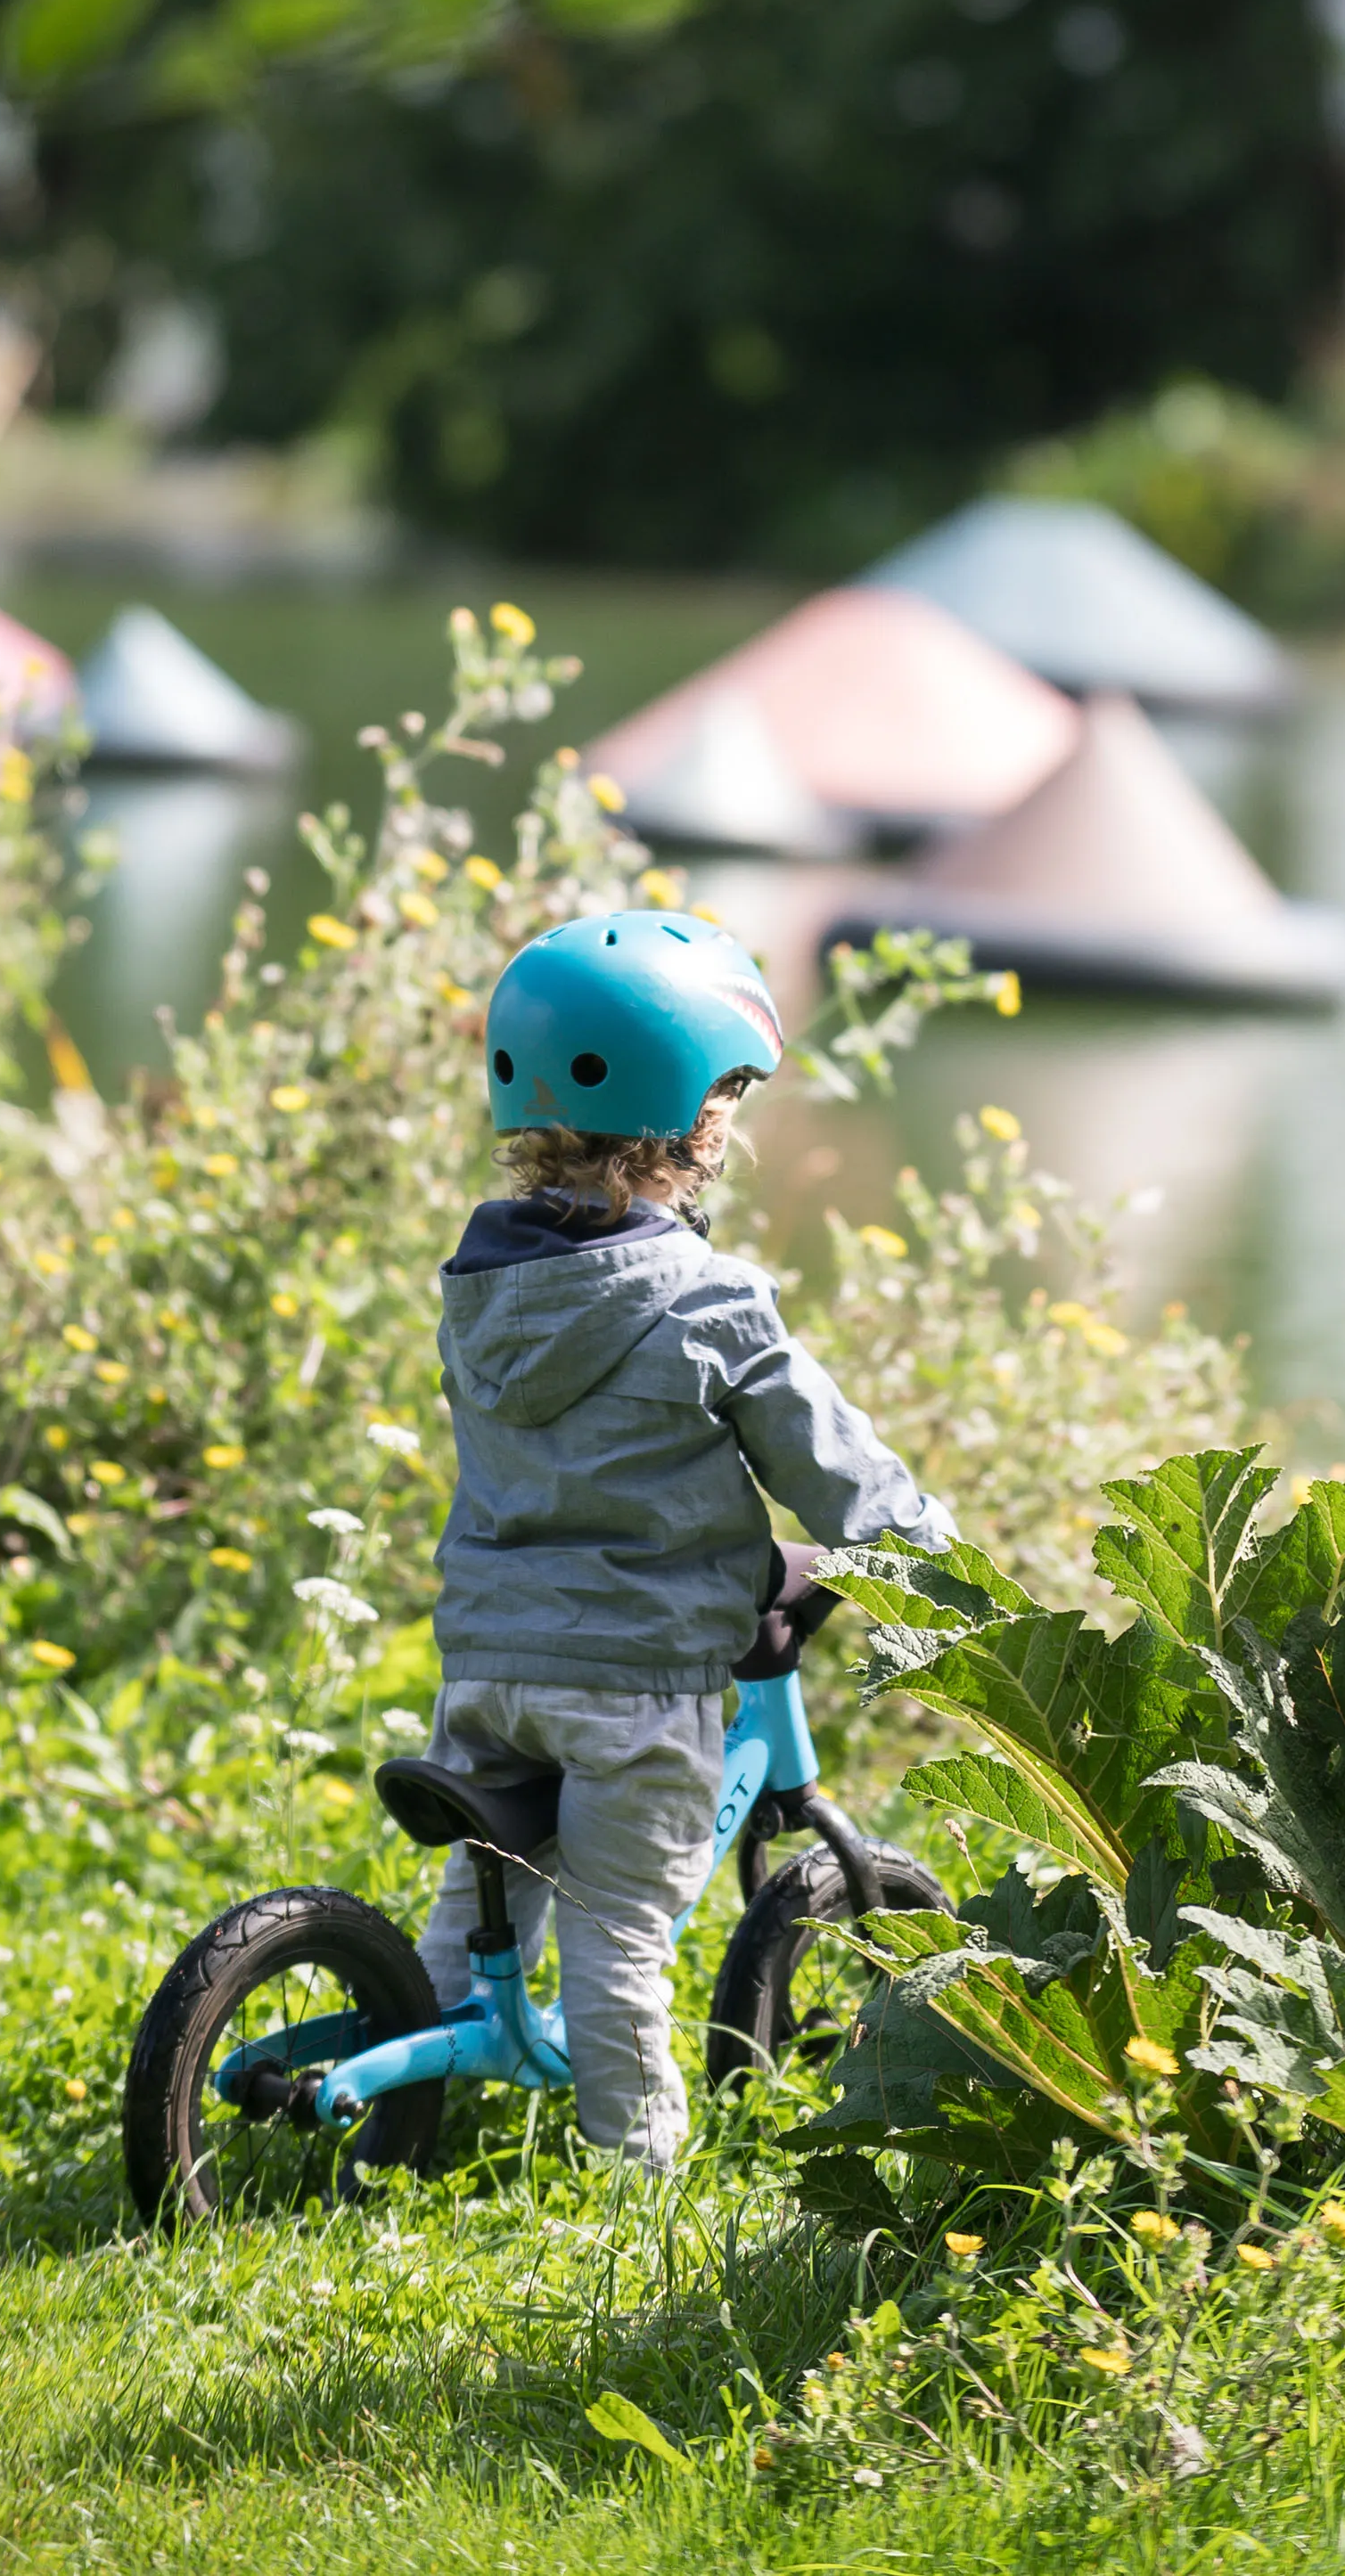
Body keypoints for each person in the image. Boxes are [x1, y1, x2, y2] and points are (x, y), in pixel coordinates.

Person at [406, 904, 953, 2168]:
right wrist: (932, 1556)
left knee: (474, 1914)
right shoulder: (713, 1304)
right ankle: (636, 2190)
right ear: (697, 1123)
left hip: (488, 1661)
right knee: (620, 1942)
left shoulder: (482, 1288)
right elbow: (841, 1473)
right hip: (636, 1687)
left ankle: (411, 2111)